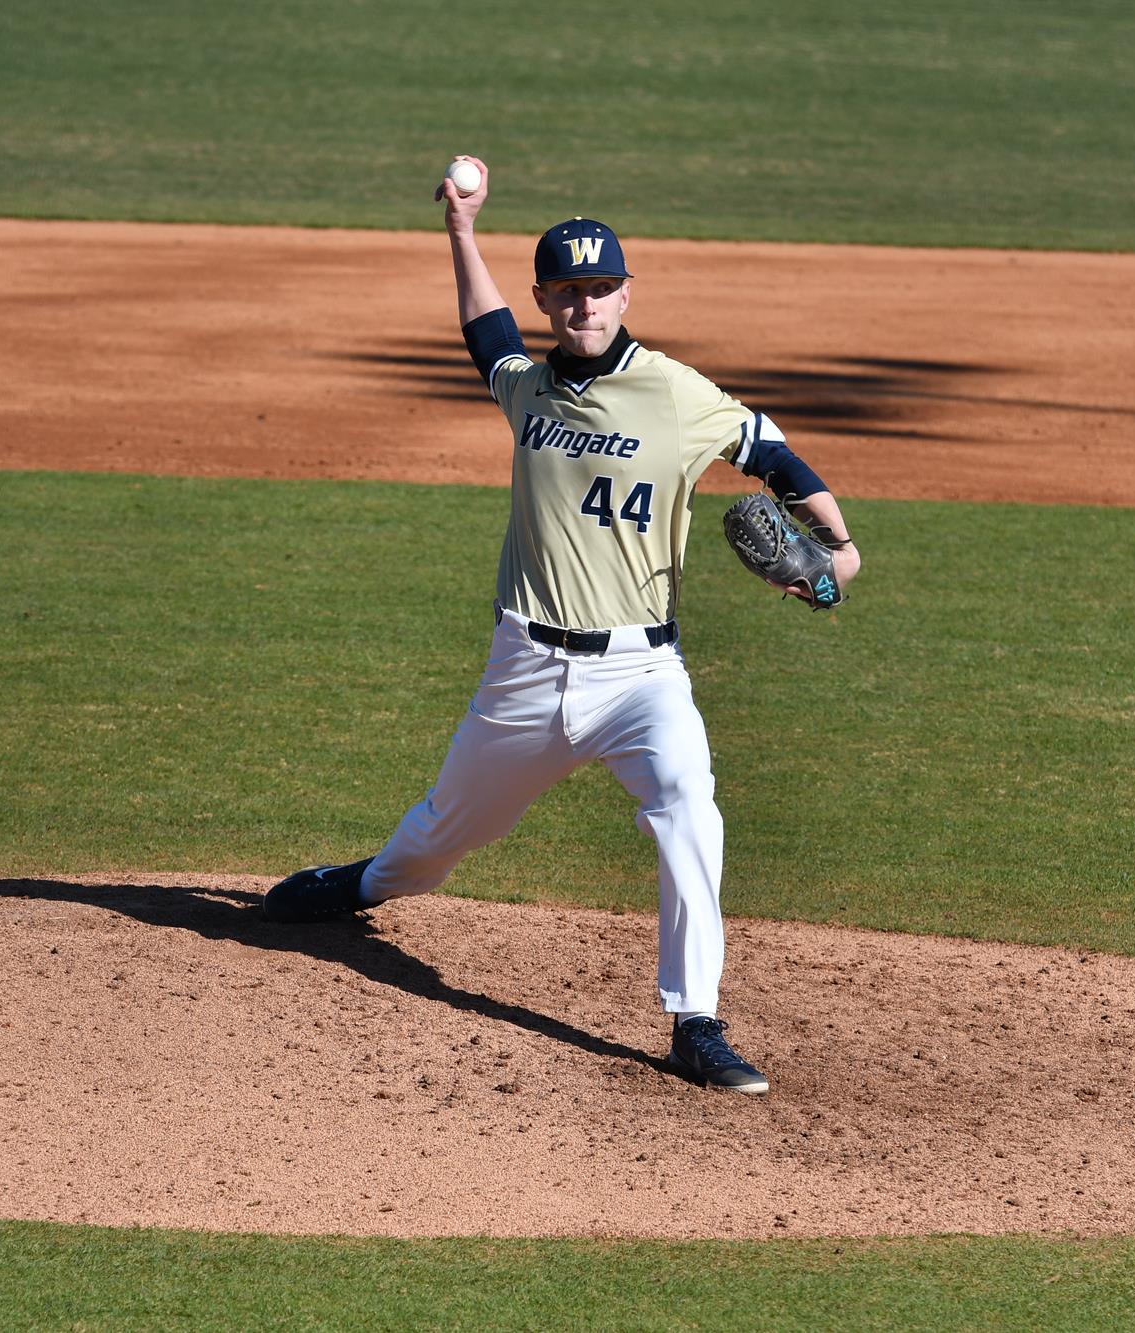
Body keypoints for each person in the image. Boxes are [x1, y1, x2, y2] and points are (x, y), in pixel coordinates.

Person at [263, 156, 860, 1095]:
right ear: (548, 298)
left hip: (642, 677)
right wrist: (461, 227)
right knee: (441, 836)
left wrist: (839, 542)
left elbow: (771, 452)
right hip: (526, 670)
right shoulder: (526, 390)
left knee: (689, 812)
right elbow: (483, 333)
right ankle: (366, 883)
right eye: (568, 290)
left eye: (601, 287)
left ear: (627, 292)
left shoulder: (677, 392)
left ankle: (694, 1018)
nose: (586, 304)